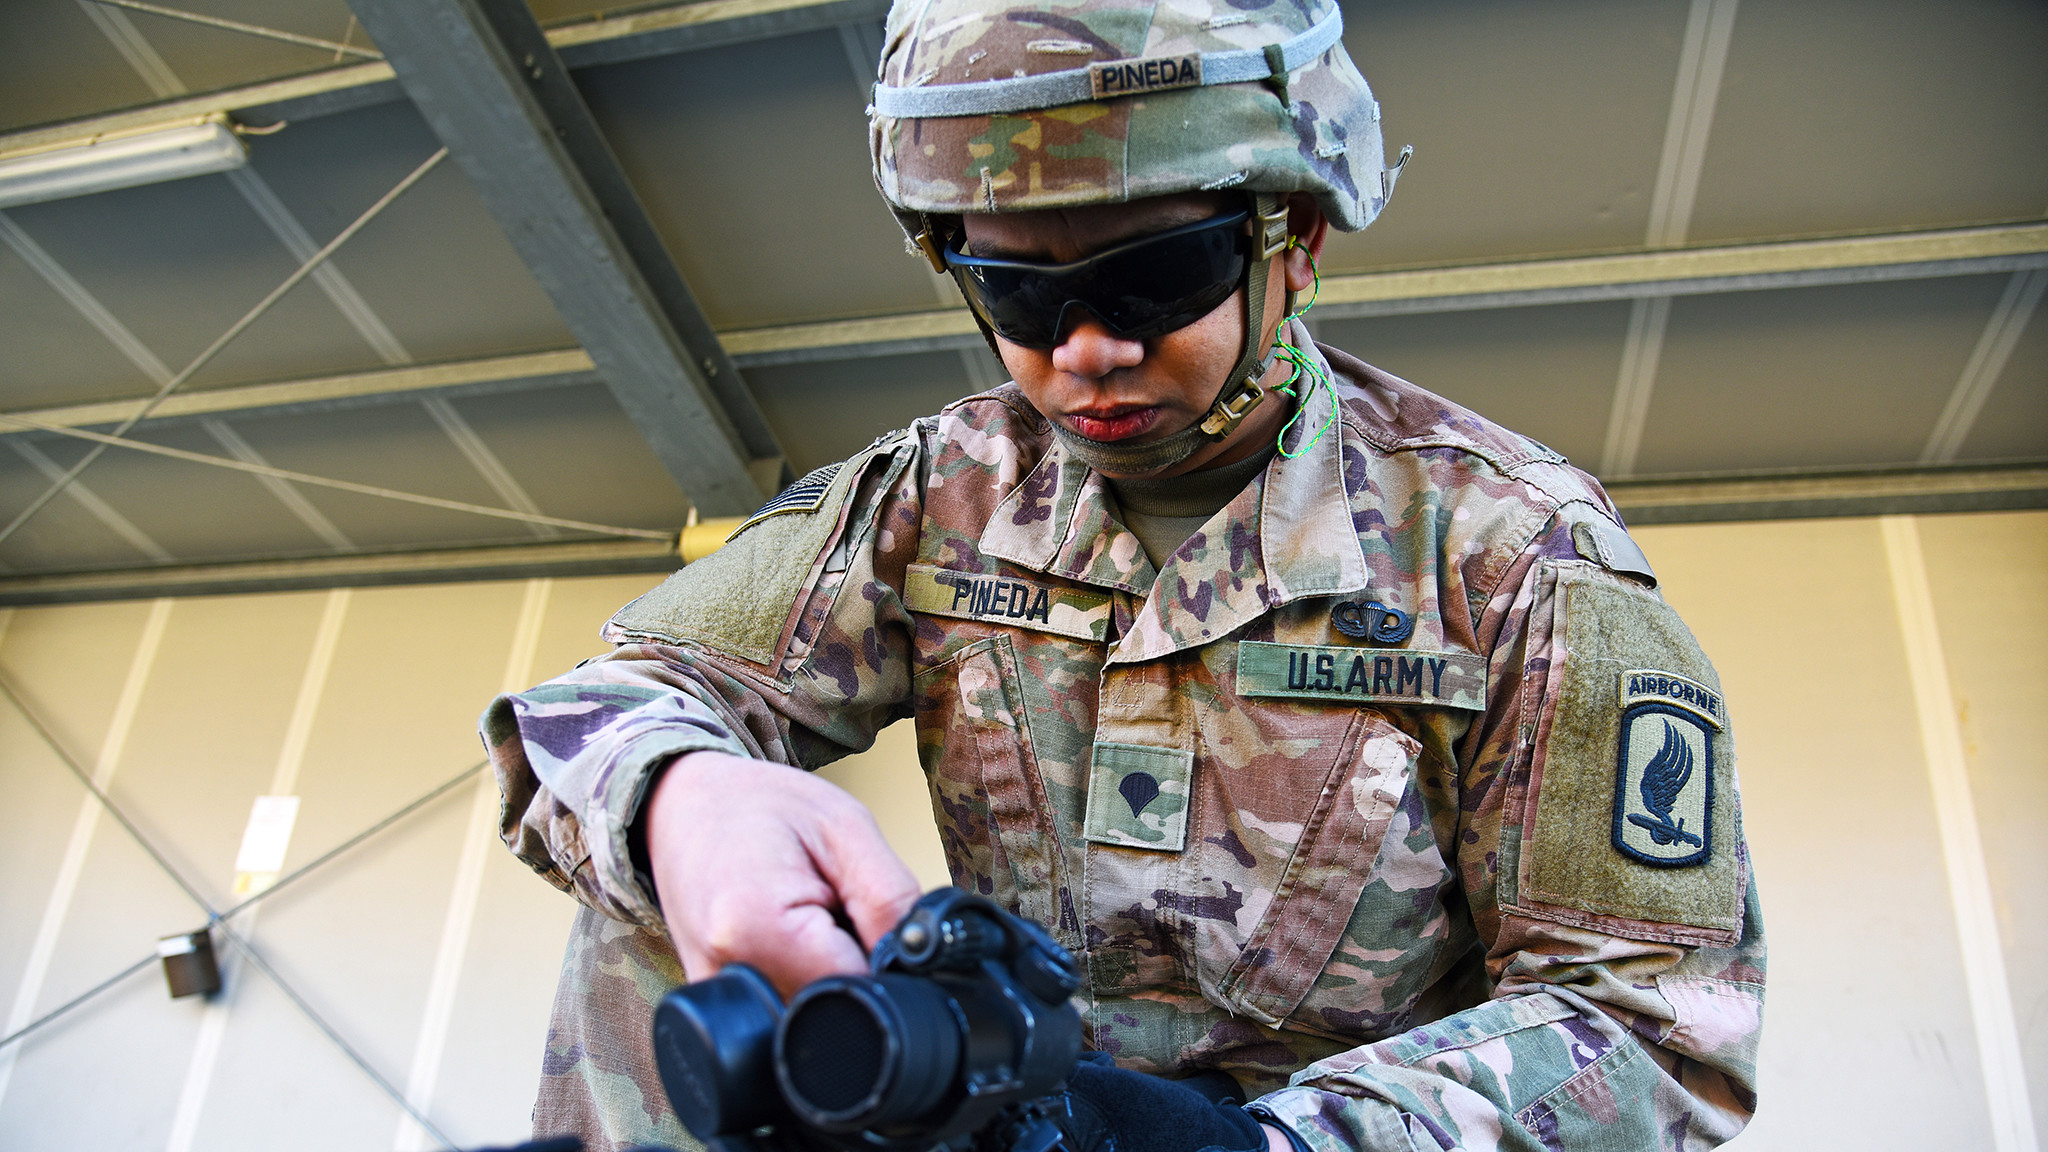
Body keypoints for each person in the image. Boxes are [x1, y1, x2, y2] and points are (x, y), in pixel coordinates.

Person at [481, 2, 1766, 1150]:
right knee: (659, 884)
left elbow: (1653, 1031)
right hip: (998, 1113)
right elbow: (632, 692)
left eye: (1153, 277)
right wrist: (685, 796)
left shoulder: (1512, 551)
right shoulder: (941, 490)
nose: (1084, 350)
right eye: (1015, 294)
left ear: (1294, 237)